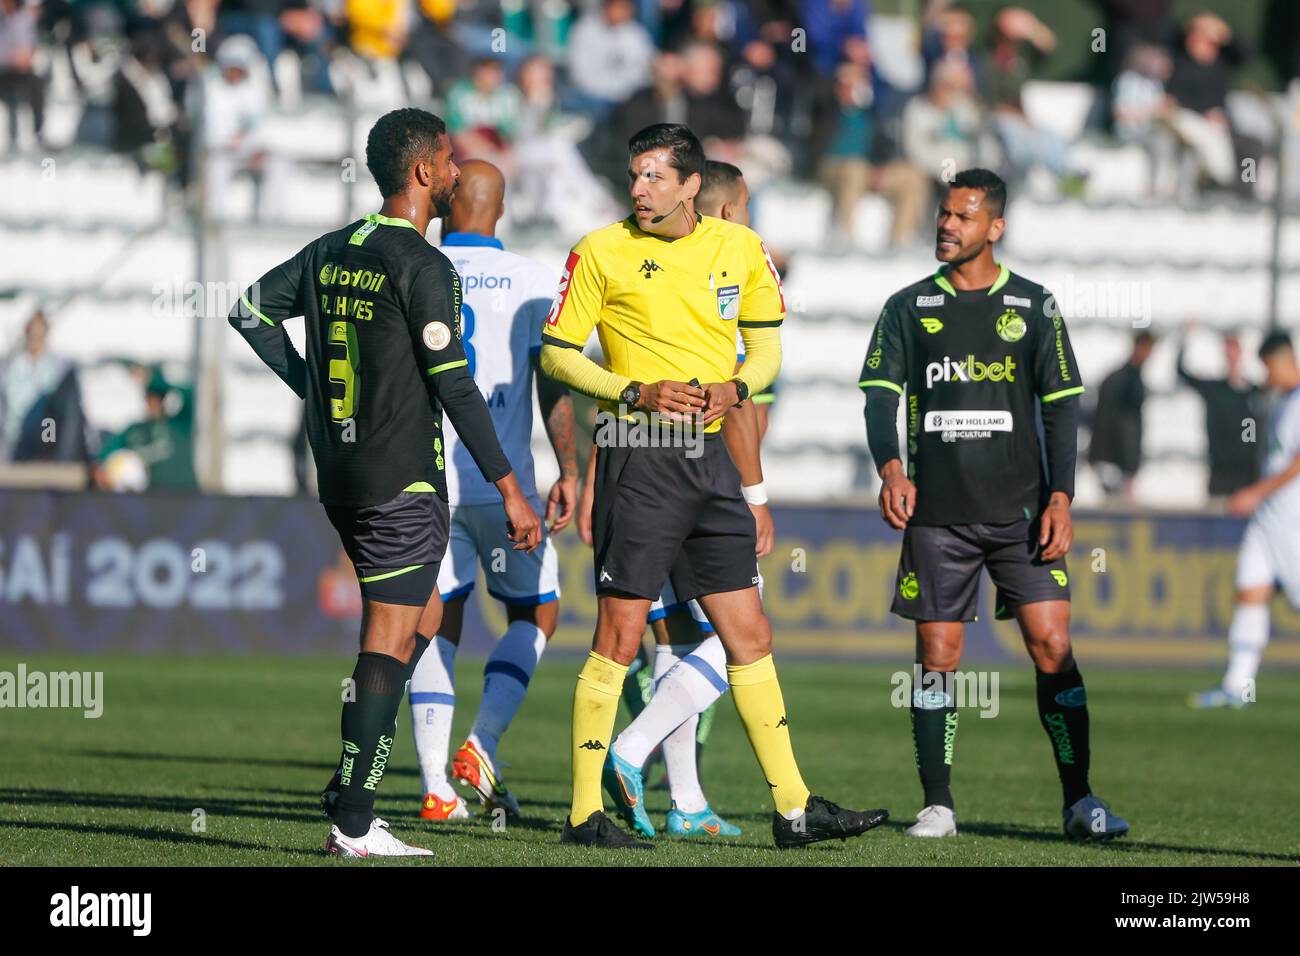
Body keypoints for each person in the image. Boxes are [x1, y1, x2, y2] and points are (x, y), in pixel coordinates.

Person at [540, 122, 887, 849]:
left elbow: (765, 351)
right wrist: (636, 393)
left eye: (654, 177)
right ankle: (583, 814)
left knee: (750, 634)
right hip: (638, 453)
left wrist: (735, 387)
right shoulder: (599, 250)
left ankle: (793, 809)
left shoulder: (740, 247)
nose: (639, 189)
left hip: (709, 461)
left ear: (692, 185)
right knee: (620, 633)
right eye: (635, 176)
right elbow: (558, 356)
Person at [228, 107, 541, 858]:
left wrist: (315, 388)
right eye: (449, 155)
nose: (459, 168)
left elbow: (248, 310)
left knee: (424, 615)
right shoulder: (422, 266)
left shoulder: (335, 248)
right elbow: (455, 387)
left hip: (337, 470)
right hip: (400, 476)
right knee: (391, 634)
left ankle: (349, 785)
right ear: (424, 171)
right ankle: (355, 821)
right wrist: (509, 488)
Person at [861, 167, 1129, 841]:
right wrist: (890, 466)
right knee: (938, 653)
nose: (946, 225)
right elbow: (879, 397)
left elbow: (1064, 410)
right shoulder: (907, 306)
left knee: (1052, 643)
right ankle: (938, 802)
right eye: (944, 214)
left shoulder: (1034, 307)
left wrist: (1062, 497)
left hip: (1021, 514)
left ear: (995, 228)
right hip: (937, 515)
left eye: (963, 217)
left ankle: (1079, 800)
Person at [595, 160, 775, 840]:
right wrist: (755, 496)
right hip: (702, 489)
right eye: (748, 207)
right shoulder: (727, 292)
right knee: (743, 639)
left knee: (678, 637)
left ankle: (688, 801)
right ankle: (634, 747)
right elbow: (739, 414)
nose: (751, 221)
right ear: (726, 214)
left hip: (638, 469)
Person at [408, 159, 577, 822]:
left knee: (433, 621)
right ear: (500, 210)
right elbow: (554, 383)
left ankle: (434, 787)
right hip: (503, 484)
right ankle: (482, 743)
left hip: (427, 484)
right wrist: (570, 469)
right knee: (537, 613)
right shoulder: (536, 280)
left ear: (449, 206)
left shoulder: (414, 269)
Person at [1191, 332, 1300, 710]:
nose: (1264, 373)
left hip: (1292, 520)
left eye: (1267, 366)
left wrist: (1258, 491)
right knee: (1249, 592)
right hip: (1268, 519)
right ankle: (1238, 685)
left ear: (1284, 361)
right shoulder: (1282, 401)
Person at [1176, 325, 1264, 498]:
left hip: (1247, 474)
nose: (1231, 356)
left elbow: (1254, 431)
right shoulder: (1215, 390)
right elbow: (1182, 372)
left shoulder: (1255, 392)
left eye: (1234, 350)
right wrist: (1184, 338)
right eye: (1228, 351)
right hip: (1220, 473)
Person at [97, 368, 198, 492]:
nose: (152, 403)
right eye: (149, 398)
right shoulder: (134, 431)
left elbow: (190, 395)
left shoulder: (180, 424)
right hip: (151, 501)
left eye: (157, 397)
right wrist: (100, 468)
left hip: (186, 496)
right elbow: (108, 451)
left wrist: (153, 380)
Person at [1089, 331, 1155, 502]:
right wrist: (1128, 468)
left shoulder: (1121, 377)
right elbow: (1121, 426)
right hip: (1113, 462)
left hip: (1109, 460)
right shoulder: (1126, 382)